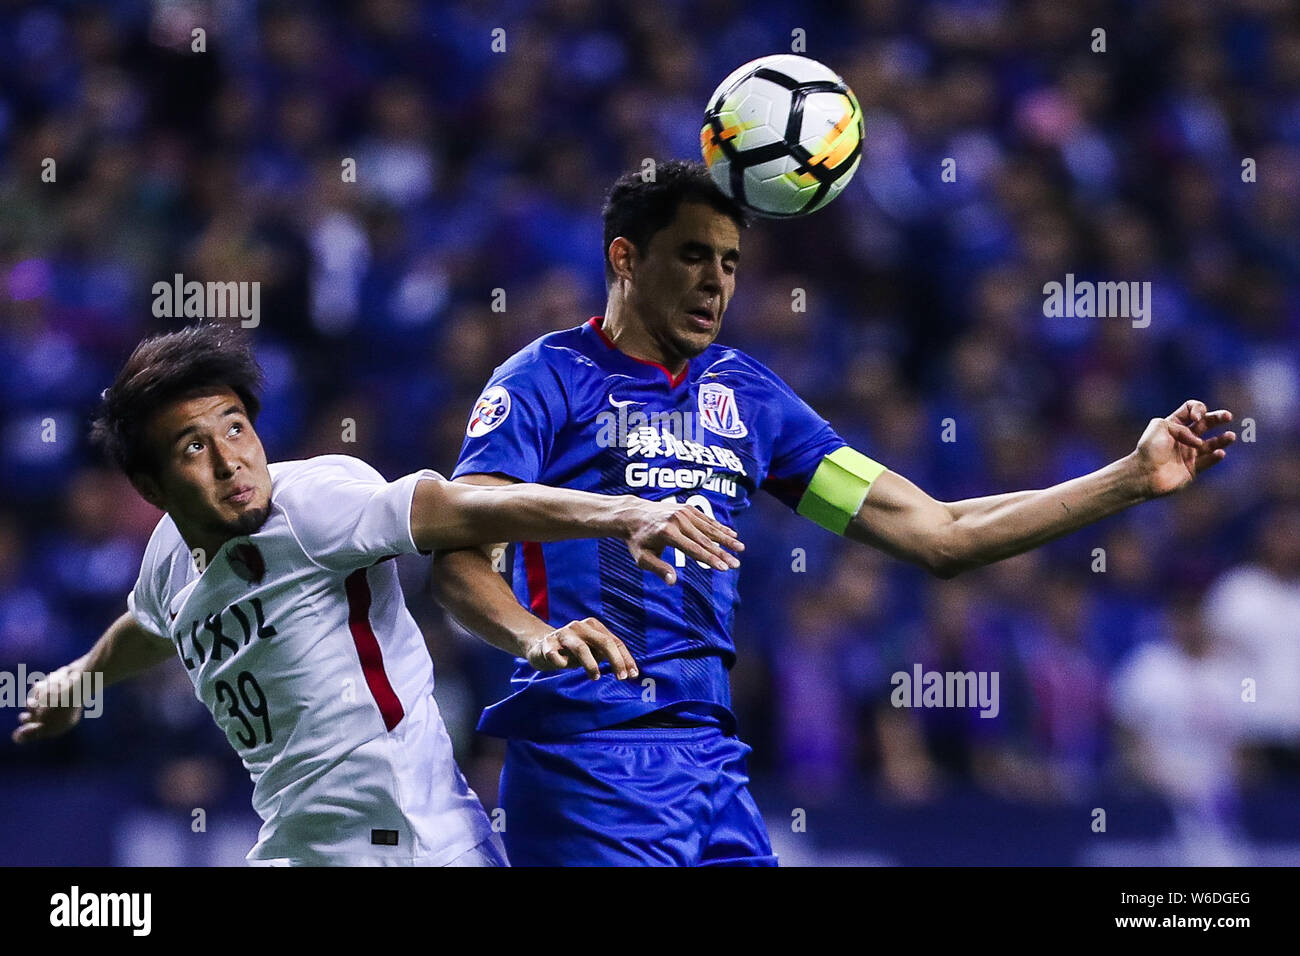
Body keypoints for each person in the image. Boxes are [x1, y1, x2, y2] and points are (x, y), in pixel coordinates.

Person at [432, 160, 1237, 866]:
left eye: (731, 262)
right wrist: (538, 634)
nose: (717, 281)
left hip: (711, 763)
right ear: (624, 257)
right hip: (589, 752)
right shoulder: (546, 378)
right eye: (692, 255)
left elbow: (939, 533)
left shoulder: (747, 398)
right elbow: (460, 542)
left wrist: (1129, 479)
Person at [12, 322, 743, 866]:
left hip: (411, 847)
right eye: (194, 446)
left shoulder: (318, 505)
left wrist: (624, 515)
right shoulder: (168, 558)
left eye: (236, 427)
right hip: (296, 849)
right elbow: (148, 626)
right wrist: (81, 678)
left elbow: (470, 510)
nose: (232, 459)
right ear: (150, 487)